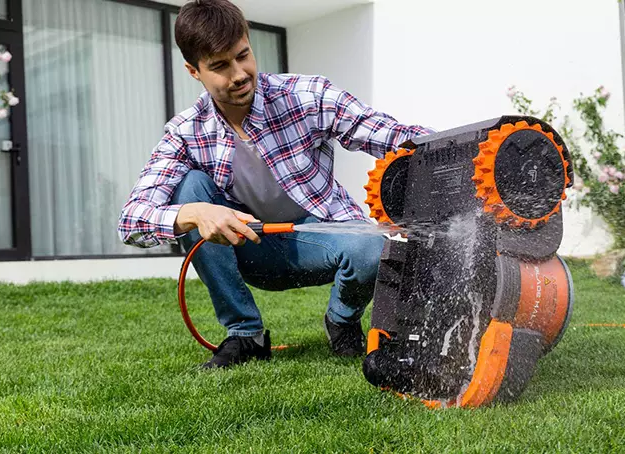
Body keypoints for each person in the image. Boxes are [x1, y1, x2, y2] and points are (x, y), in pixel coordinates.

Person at [118, 0, 434, 369]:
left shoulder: (307, 95)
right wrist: (196, 213)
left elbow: (390, 135)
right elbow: (130, 222)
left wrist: (460, 145)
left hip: (322, 235)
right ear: (194, 71)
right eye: (220, 66)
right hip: (253, 248)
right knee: (188, 190)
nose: (238, 74)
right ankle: (244, 334)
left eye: (243, 56)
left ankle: (342, 320)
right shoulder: (186, 132)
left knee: (371, 249)